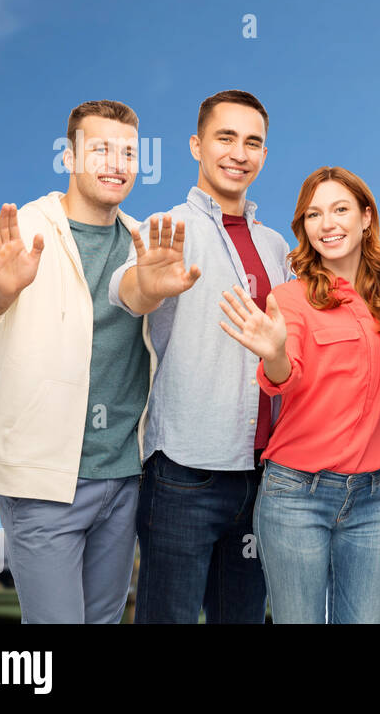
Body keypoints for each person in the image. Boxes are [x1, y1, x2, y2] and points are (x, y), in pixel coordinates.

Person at [0, 100, 153, 623]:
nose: (116, 163)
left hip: (124, 477)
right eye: (101, 148)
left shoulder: (144, 241)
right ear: (68, 156)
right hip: (43, 484)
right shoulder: (26, 227)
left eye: (128, 152)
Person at [108, 90, 291, 624]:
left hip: (262, 475)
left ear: (264, 154)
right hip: (184, 474)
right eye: (225, 138)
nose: (239, 152)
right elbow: (127, 291)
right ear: (196, 145)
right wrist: (147, 285)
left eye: (253, 142)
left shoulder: (277, 246)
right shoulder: (168, 228)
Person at [218, 167, 380, 623]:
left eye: (340, 209)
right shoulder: (291, 297)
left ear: (366, 217)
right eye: (314, 214)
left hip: (374, 498)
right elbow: (285, 375)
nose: (328, 223)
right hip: (296, 494)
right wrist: (274, 353)